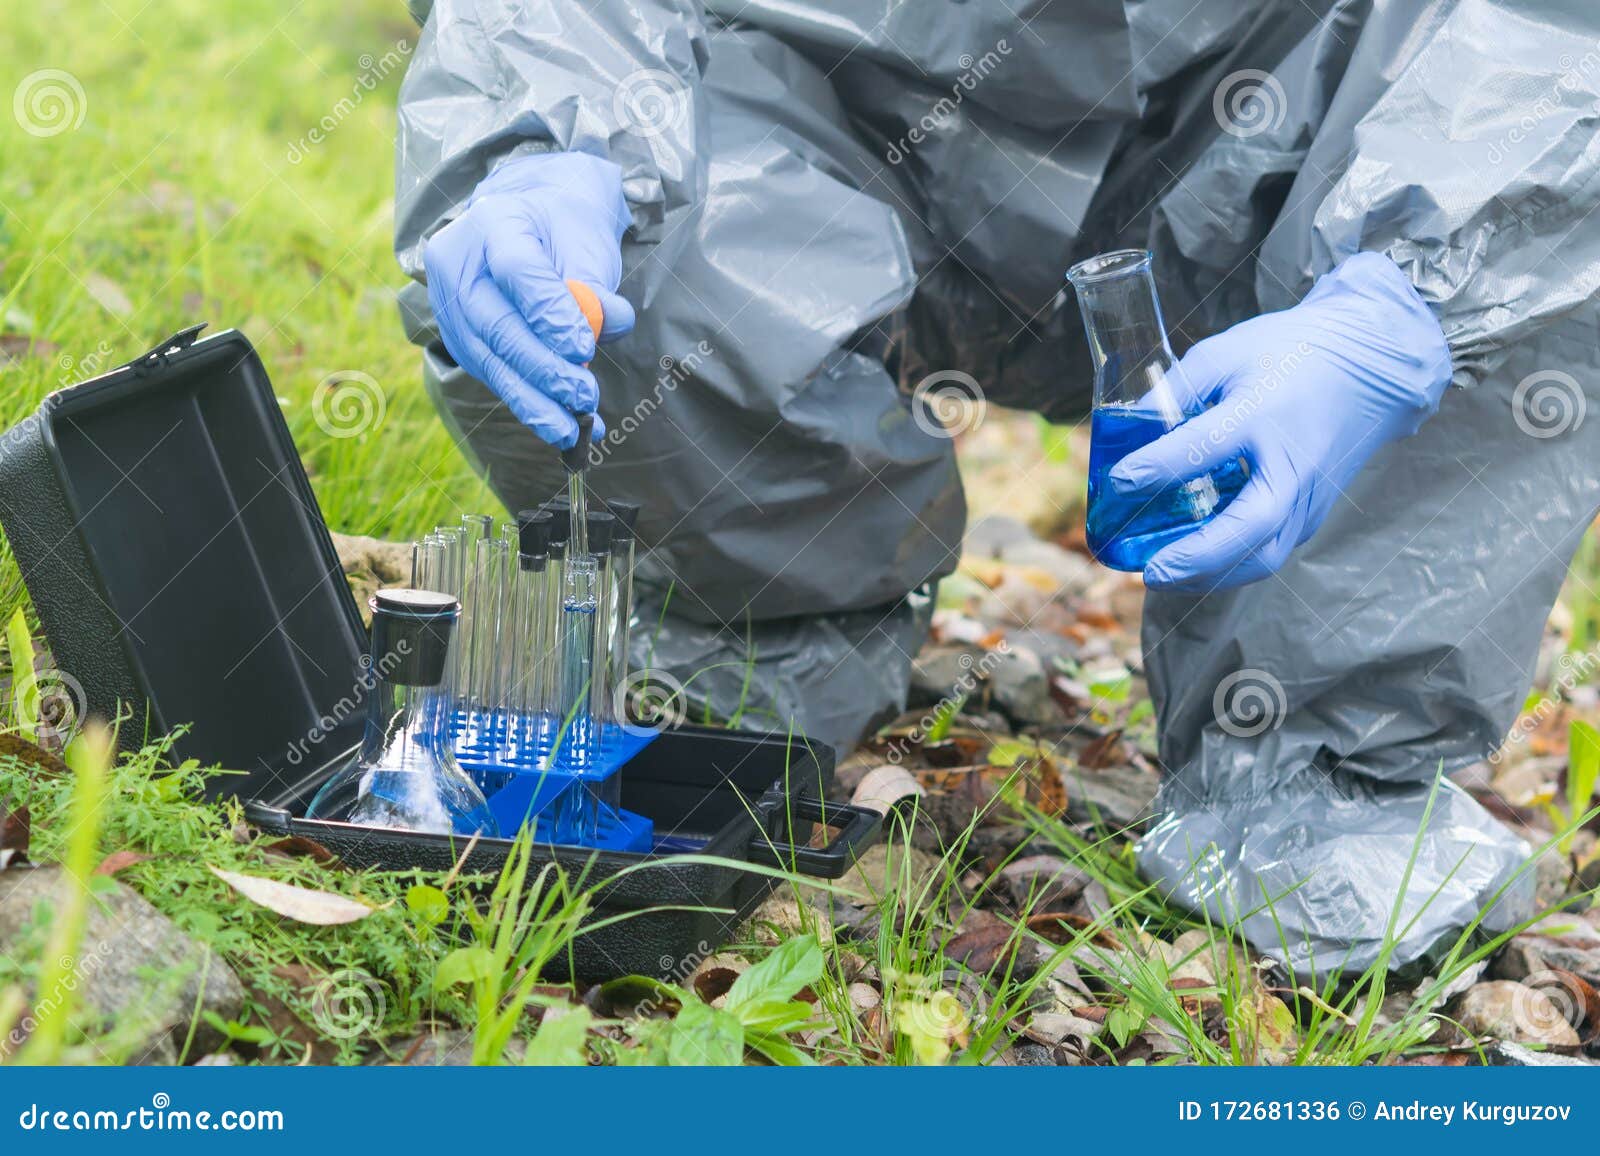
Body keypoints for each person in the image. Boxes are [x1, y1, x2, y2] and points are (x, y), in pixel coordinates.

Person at [392, 0, 1600, 973]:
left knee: (1540, 204)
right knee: (561, 255)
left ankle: (1324, 759)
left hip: (1280, 189)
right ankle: (756, 642)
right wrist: (543, 141)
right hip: (845, 170)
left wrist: (1407, 292)